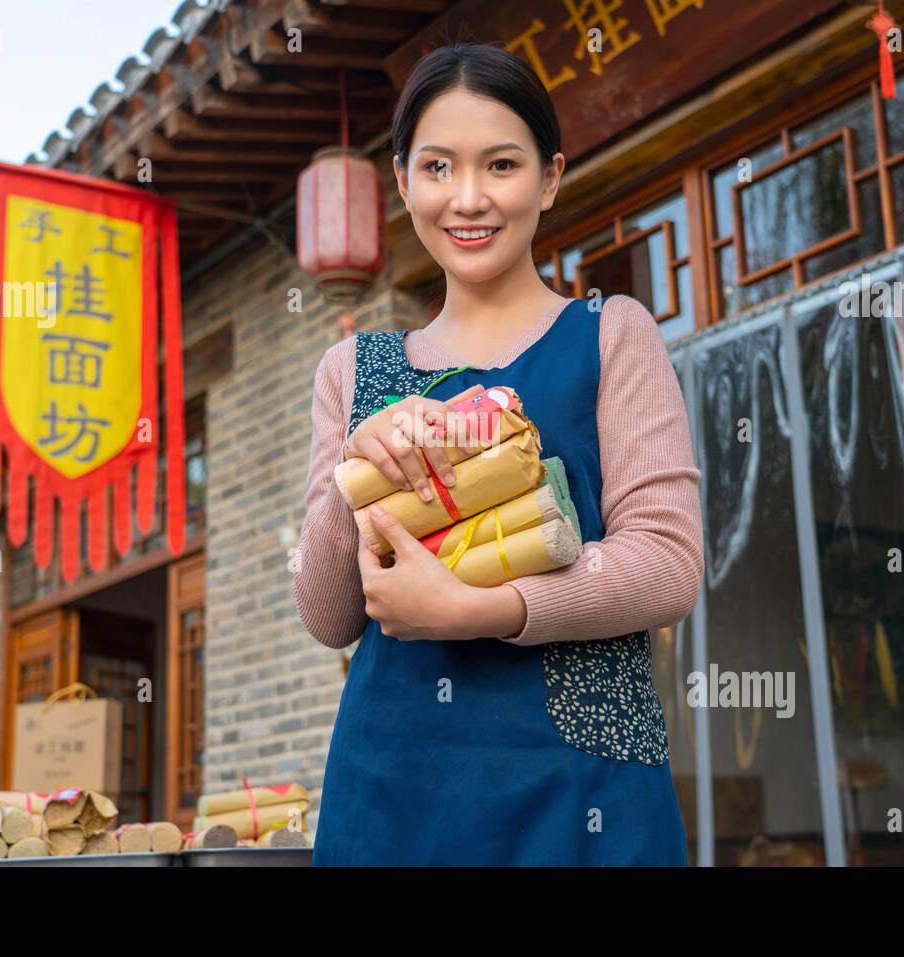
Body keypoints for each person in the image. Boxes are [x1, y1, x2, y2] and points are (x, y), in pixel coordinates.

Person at [292, 41, 704, 865]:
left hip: (581, 786)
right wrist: (349, 484)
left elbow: (667, 562)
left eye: (502, 165)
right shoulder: (354, 371)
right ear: (404, 181)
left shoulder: (609, 334)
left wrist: (482, 610)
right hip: (391, 789)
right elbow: (327, 615)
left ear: (549, 178)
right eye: (438, 167)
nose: (468, 198)